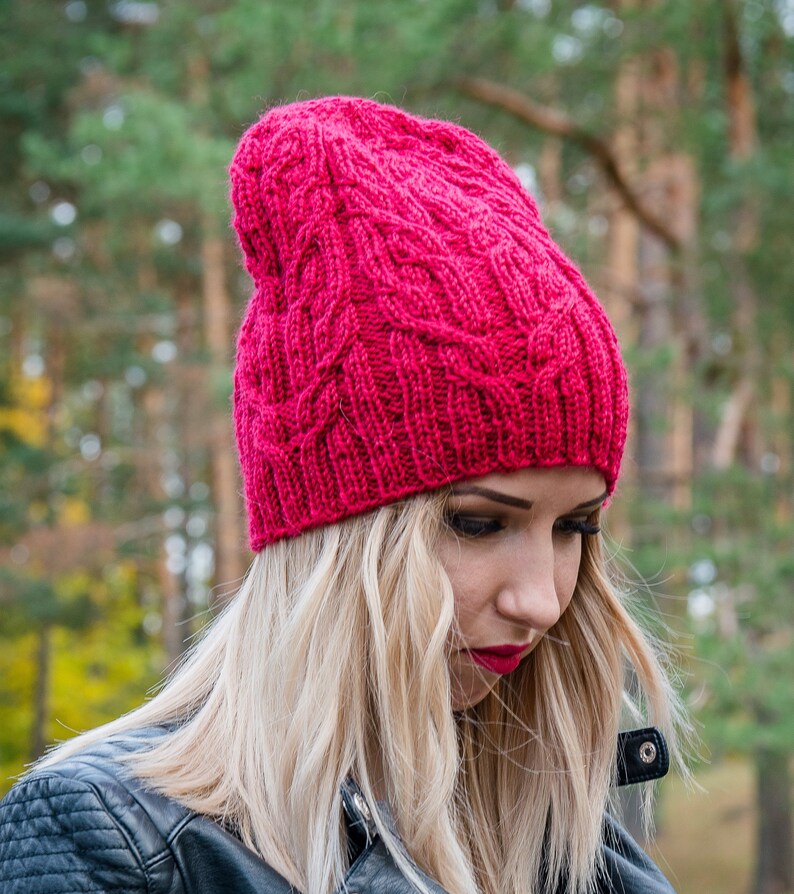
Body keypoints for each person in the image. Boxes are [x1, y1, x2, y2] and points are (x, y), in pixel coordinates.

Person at [0, 96, 687, 894]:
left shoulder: (567, 842)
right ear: (333, 534)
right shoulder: (118, 840)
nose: (540, 600)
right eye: (477, 522)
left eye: (573, 527)